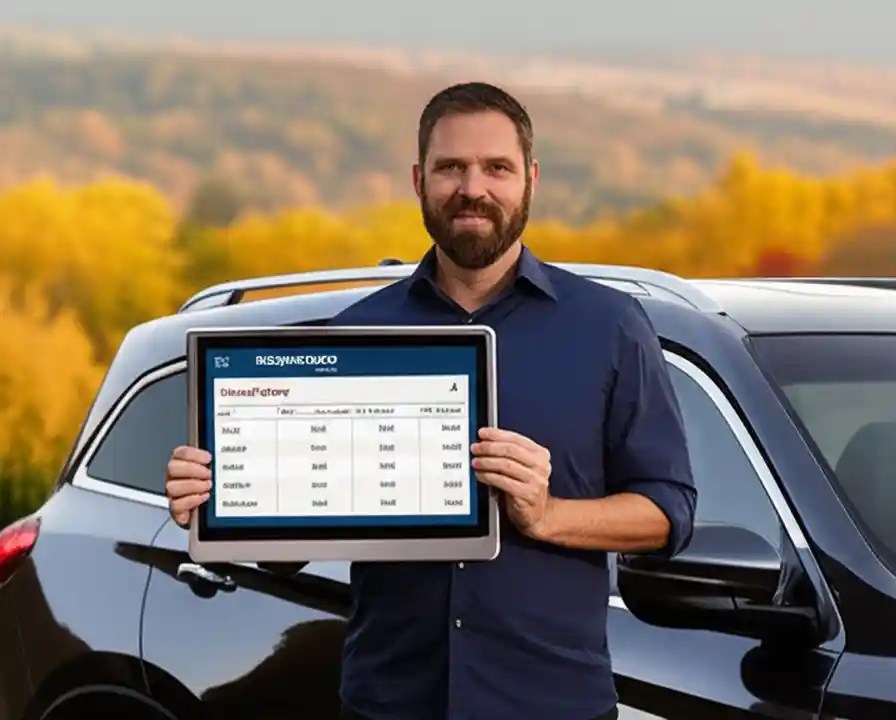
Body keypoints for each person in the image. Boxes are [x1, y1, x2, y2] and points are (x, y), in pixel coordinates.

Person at [163, 81, 697, 720]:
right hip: (389, 702)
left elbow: (669, 511)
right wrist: (223, 498)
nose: (473, 188)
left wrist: (548, 515)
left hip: (552, 703)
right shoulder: (355, 335)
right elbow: (288, 552)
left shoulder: (609, 327)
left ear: (530, 180)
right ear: (419, 181)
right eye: (451, 168)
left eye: (496, 168)